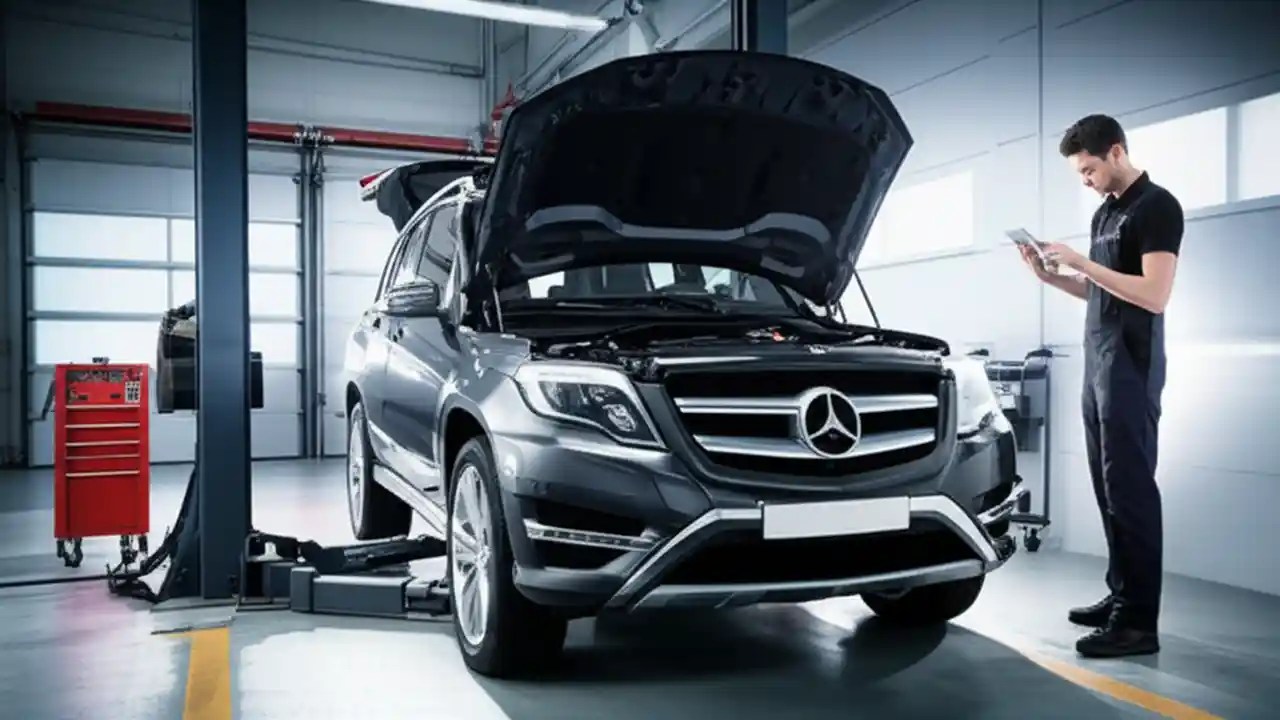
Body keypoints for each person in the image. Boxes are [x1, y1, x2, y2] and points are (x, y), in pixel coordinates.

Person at [1018, 113, 1183, 658]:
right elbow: (1102, 292)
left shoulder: (1157, 206)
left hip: (1133, 364)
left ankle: (1137, 624)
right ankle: (1120, 595)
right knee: (1107, 485)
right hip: (1099, 362)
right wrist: (1050, 276)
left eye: (1088, 169)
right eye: (1079, 174)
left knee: (1131, 489)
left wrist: (1083, 263)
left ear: (1116, 151)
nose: (1085, 180)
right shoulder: (1105, 214)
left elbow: (1154, 295)